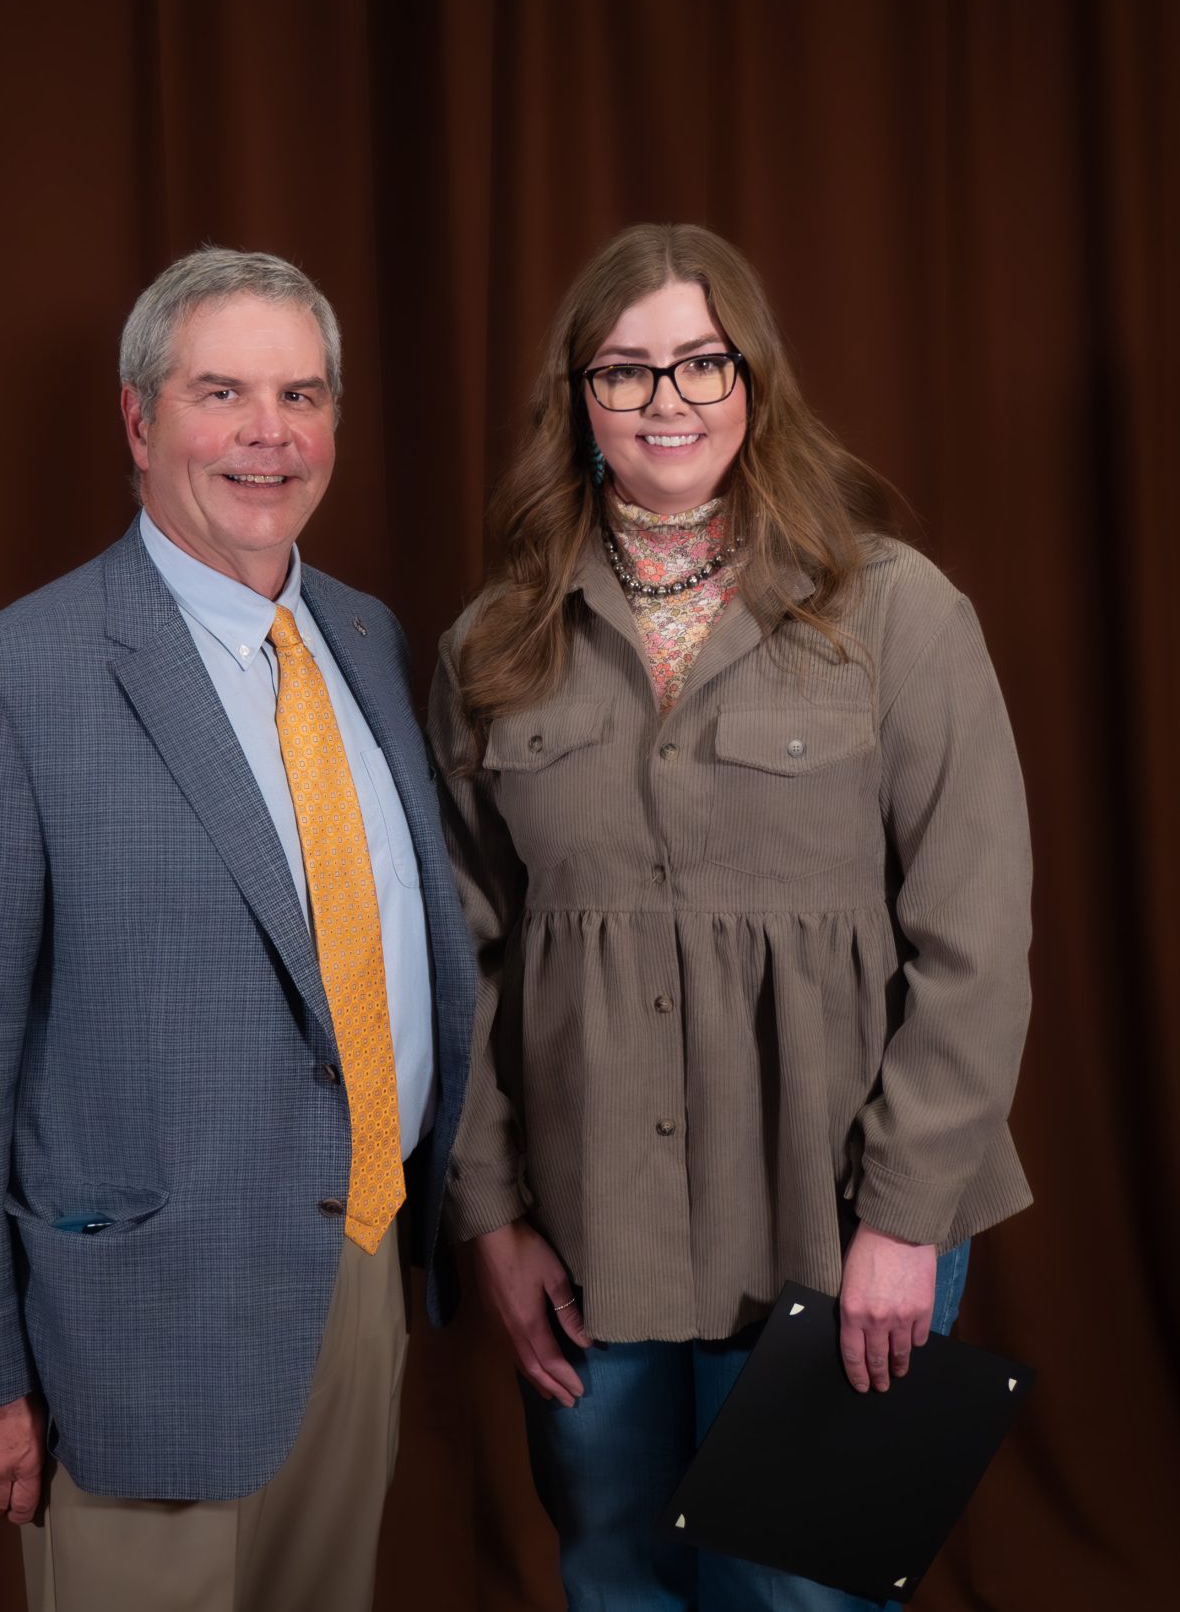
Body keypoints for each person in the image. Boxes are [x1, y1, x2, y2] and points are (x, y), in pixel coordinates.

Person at [427, 223, 1034, 1610]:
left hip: (846, 1229)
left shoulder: (899, 616)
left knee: (804, 1597)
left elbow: (976, 943)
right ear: (576, 403)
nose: (668, 401)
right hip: (589, 1242)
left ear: (755, 381)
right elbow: (458, 962)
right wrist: (495, 1220)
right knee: (616, 1582)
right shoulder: (493, 646)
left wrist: (907, 1224)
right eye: (626, 371)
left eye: (702, 361)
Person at [0, 246, 475, 1612]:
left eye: (302, 395)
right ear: (140, 423)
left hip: (360, 1279)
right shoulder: (11, 689)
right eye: (224, 393)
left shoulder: (366, 640)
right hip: (138, 1334)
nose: (271, 435)